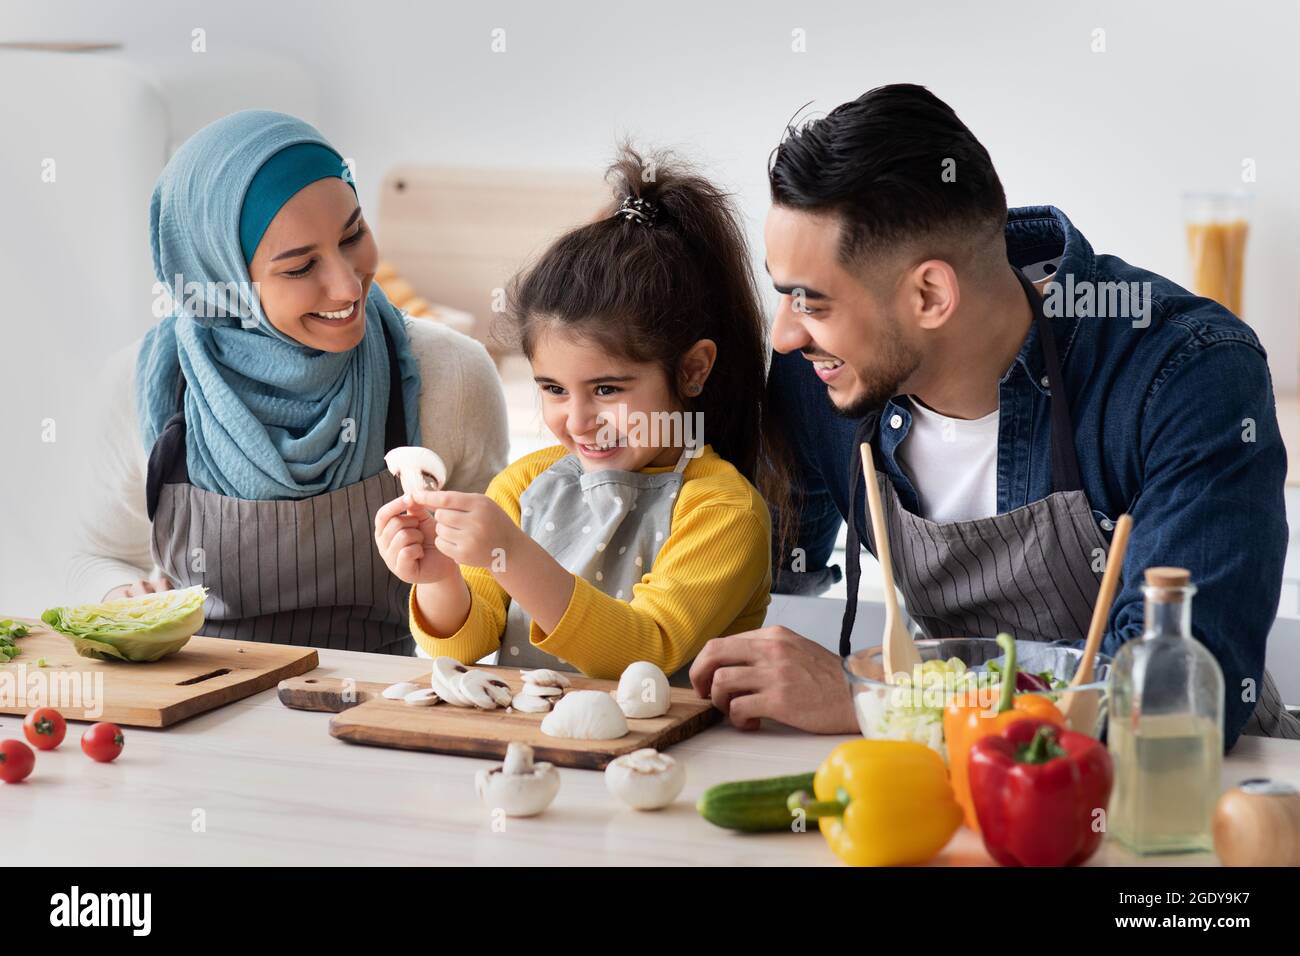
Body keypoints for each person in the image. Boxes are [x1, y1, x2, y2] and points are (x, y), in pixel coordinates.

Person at [690, 84, 1297, 746]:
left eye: (810, 300)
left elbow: (1174, 703)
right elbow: (757, 569)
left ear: (930, 294)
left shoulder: (1185, 373)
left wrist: (884, 702)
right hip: (955, 792)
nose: (784, 336)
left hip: (1180, 799)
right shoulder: (824, 375)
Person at [68, 110, 508, 653]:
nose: (348, 286)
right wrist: (121, 597)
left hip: (377, 712)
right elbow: (90, 558)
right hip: (195, 709)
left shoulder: (449, 375)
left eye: (354, 235)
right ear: (220, 276)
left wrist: (445, 577)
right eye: (300, 268)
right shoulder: (143, 386)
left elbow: (493, 593)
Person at [375, 148, 771, 682]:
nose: (579, 420)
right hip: (543, 756)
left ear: (693, 369)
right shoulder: (522, 487)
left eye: (606, 388)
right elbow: (466, 646)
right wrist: (440, 578)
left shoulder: (723, 510)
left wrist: (511, 554)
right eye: (554, 389)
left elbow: (649, 652)